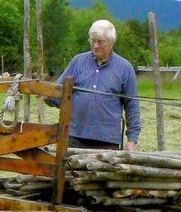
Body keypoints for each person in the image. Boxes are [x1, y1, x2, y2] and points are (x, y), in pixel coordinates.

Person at [47, 19, 141, 151]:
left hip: (107, 140)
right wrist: (43, 92)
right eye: (92, 40)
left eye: (100, 41)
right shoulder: (77, 62)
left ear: (112, 42)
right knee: (70, 172)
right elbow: (59, 93)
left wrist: (132, 140)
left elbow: (132, 106)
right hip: (75, 137)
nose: (95, 45)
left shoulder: (125, 68)